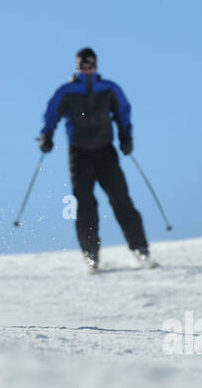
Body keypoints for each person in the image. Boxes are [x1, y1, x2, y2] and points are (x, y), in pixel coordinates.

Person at [39, 48, 155, 271]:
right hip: (80, 154)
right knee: (85, 204)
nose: (87, 68)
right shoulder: (67, 91)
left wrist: (125, 135)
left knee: (121, 199)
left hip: (105, 151)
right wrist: (47, 135)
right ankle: (90, 253)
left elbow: (123, 111)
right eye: (83, 64)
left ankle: (140, 249)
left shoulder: (108, 88)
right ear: (77, 66)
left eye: (90, 64)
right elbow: (52, 112)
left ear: (96, 64)